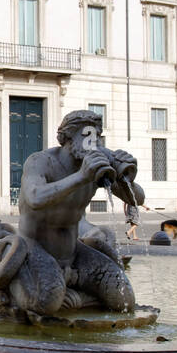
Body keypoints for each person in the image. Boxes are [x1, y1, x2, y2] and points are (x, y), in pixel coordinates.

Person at [14, 109, 145, 311]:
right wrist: (82, 177)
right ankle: (20, 287)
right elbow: (34, 197)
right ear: (66, 137)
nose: (93, 142)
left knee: (124, 299)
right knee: (47, 301)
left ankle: (72, 292)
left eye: (97, 137)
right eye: (86, 136)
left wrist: (127, 178)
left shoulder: (96, 165)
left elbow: (136, 199)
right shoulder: (41, 161)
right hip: (34, 248)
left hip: (74, 253)